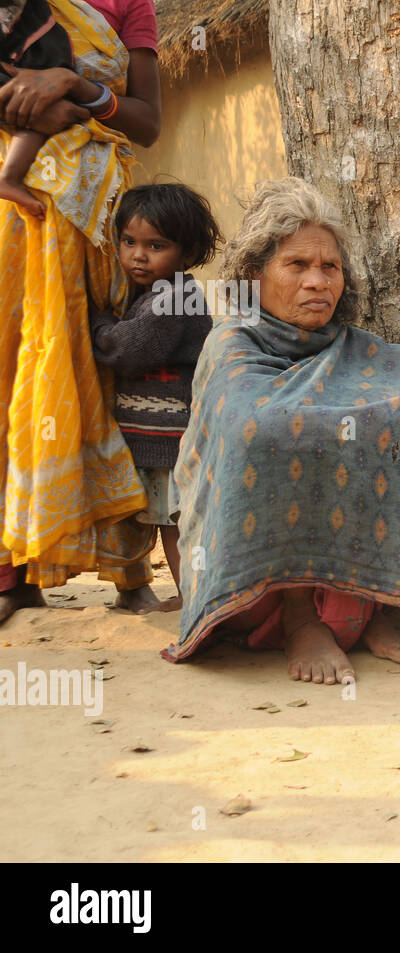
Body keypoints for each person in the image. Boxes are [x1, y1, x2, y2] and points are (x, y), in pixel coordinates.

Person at [161, 178, 400, 686]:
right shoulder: (233, 343)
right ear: (253, 275)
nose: (318, 281)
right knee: (271, 438)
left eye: (329, 267)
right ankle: (300, 619)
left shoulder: (347, 344)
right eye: (297, 265)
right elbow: (248, 426)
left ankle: (370, 608)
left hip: (350, 572)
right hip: (251, 582)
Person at [0, 0, 162, 624]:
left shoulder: (131, 5)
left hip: (95, 215)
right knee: (12, 376)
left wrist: (74, 84)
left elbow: (147, 123)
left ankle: (129, 570)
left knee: (106, 372)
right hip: (12, 211)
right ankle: (13, 572)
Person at [89, 183, 221, 612]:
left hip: (172, 441)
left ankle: (191, 598)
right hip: (156, 440)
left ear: (188, 253)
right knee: (166, 519)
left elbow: (128, 350)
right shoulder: (153, 295)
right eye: (129, 242)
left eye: (155, 245)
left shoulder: (175, 298)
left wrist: (97, 325)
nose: (138, 256)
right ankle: (184, 595)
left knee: (176, 522)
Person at [0, 0, 78, 217]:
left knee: (44, 101)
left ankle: (9, 177)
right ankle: (10, 178)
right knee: (39, 105)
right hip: (30, 45)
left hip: (33, 41)